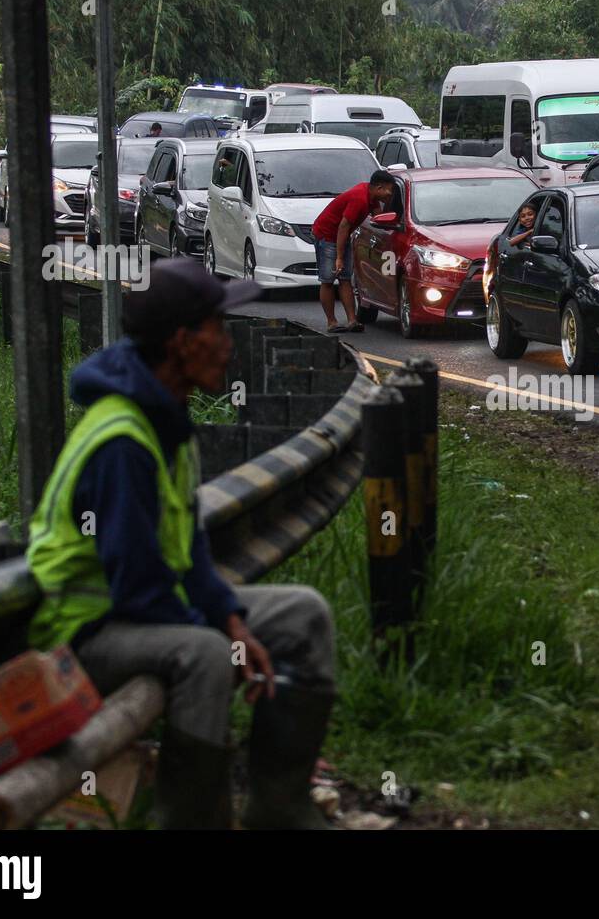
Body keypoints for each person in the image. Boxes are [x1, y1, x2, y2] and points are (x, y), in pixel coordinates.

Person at [24, 258, 338, 830]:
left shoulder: (168, 420)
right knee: (205, 655)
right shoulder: (124, 440)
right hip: (87, 632)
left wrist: (233, 619)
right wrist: (222, 635)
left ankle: (280, 806)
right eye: (218, 330)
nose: (227, 346)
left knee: (302, 616)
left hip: (136, 613)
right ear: (180, 343)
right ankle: (190, 819)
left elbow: (188, 557)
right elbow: (139, 589)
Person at [311, 170, 397, 333]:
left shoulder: (372, 198)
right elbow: (343, 226)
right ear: (379, 188)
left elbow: (380, 218)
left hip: (342, 236)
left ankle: (352, 320)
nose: (390, 194)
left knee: (345, 279)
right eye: (389, 190)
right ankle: (332, 322)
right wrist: (339, 257)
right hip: (327, 236)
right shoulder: (360, 199)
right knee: (328, 279)